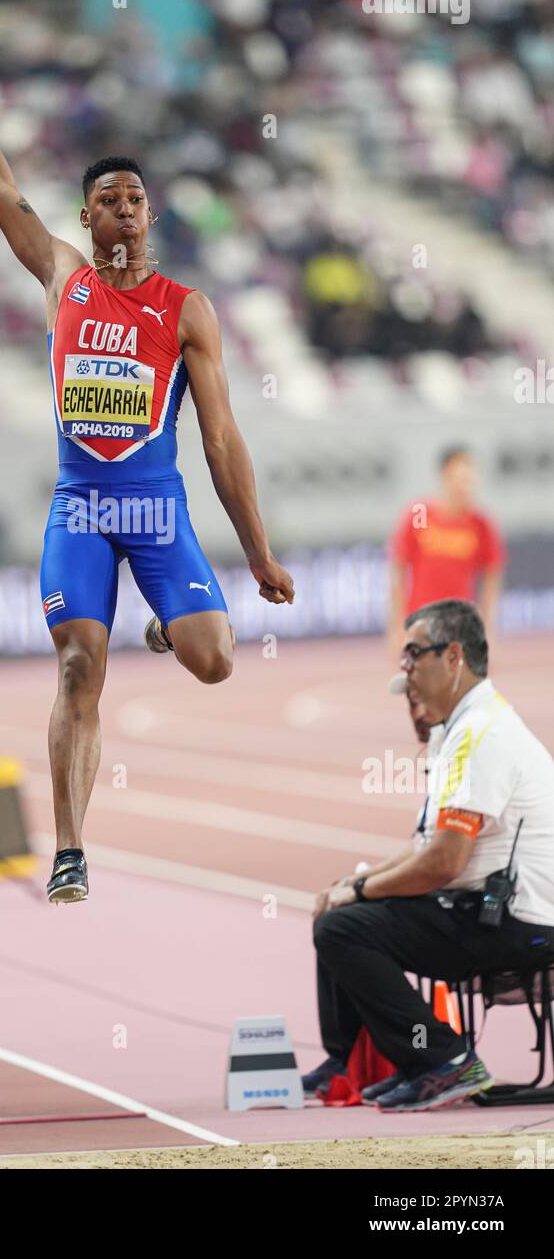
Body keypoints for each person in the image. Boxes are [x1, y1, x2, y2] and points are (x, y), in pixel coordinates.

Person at [0, 18, 294, 903]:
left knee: (213, 659)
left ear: (151, 214)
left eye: (138, 199)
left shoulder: (187, 312)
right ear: (86, 218)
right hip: (83, 512)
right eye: (110, 200)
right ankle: (70, 849)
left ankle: (169, 623)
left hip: (157, 508)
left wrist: (256, 552)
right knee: (73, 667)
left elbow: (218, 440)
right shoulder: (62, 278)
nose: (126, 210)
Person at [304, 600, 554, 1112]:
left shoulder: (482, 732)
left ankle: (442, 1060)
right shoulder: (464, 729)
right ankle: (349, 1058)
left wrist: (359, 890)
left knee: (344, 926)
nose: (406, 674)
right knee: (342, 907)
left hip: (521, 922)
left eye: (414, 656)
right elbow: (427, 848)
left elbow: (443, 863)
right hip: (490, 911)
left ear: (454, 656)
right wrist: (353, 883)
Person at [387, 446, 505, 656]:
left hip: (459, 625)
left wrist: (487, 627)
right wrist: (397, 627)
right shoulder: (421, 514)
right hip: (421, 623)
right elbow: (398, 570)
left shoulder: (479, 523)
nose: (464, 486)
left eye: (470, 479)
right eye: (458, 478)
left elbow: (492, 577)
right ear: (444, 477)